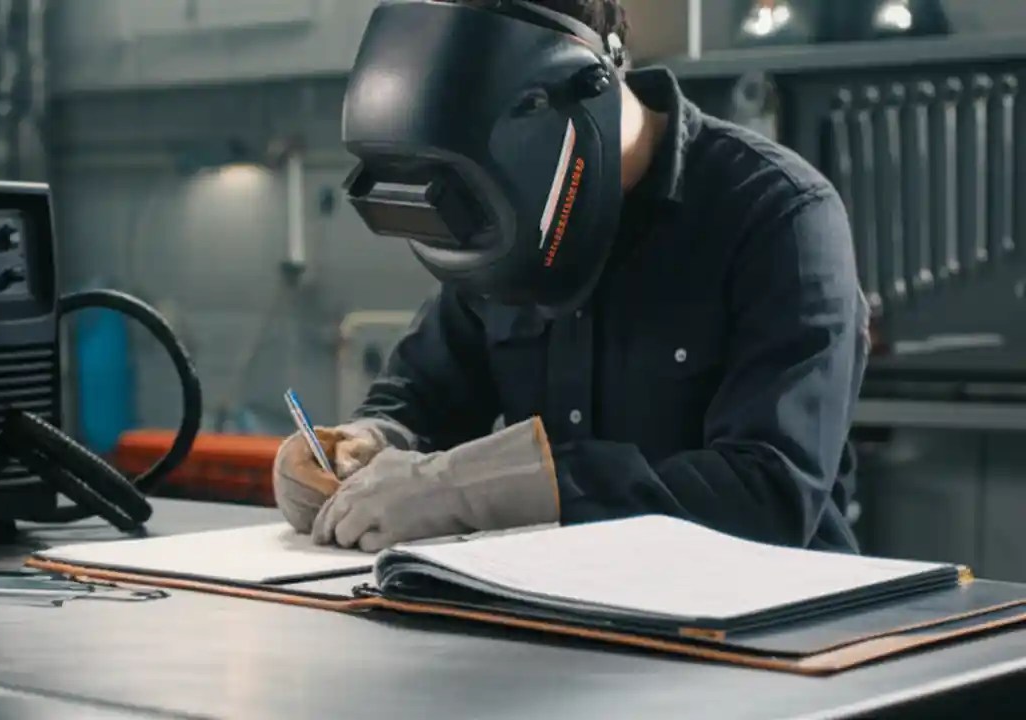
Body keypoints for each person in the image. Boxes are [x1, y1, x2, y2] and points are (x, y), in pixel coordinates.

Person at [273, 0, 869, 554]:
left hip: (768, 638)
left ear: (576, 88)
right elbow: (424, 397)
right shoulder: (506, 218)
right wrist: (364, 450)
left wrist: (481, 488)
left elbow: (768, 495)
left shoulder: (778, 215)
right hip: (561, 627)